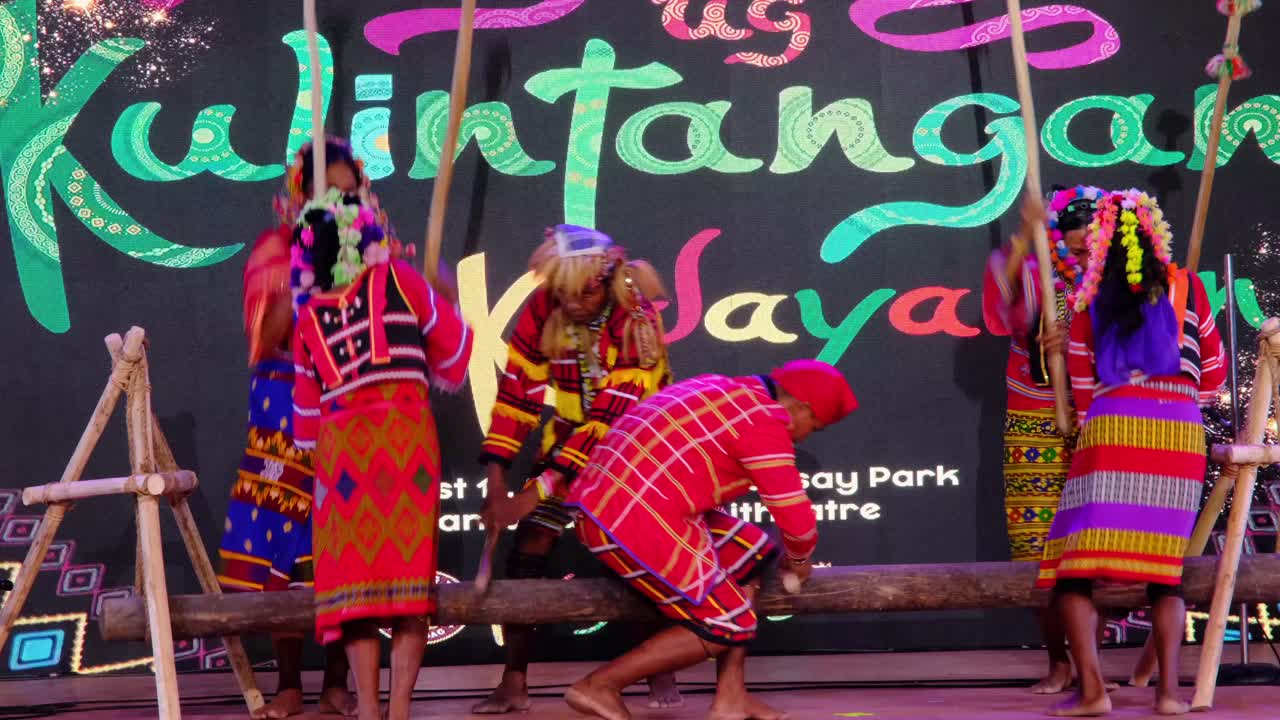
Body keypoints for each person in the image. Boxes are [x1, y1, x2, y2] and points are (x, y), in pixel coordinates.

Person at [539, 360, 857, 720]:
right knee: (728, 622)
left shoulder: (718, 386)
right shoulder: (763, 423)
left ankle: (730, 697)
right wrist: (799, 560)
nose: (802, 437)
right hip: (629, 517)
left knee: (751, 552)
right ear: (800, 406)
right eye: (812, 426)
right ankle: (600, 685)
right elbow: (794, 515)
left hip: (619, 503)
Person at [472, 225, 678, 714]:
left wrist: (534, 492)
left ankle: (655, 666)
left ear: (604, 280)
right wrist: (498, 472)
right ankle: (514, 680)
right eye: (561, 294)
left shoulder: (635, 317)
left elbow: (610, 419)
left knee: (638, 553)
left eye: (580, 293)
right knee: (529, 547)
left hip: (636, 447)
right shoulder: (545, 307)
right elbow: (518, 390)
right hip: (568, 442)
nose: (572, 304)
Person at [1036, 189, 1226, 717]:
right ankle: (1167, 694)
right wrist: (1183, 403)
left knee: (1074, 573)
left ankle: (1094, 693)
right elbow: (1213, 367)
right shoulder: (1186, 284)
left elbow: (1078, 382)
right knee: (1164, 573)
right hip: (1180, 430)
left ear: (1099, 240)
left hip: (1115, 424)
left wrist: (1096, 411)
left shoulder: (1087, 296)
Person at [291, 177, 473, 720]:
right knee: (407, 585)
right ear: (365, 232)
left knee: (357, 592)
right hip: (403, 442)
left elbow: (304, 419)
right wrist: (447, 299)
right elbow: (457, 353)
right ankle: (398, 711)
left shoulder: (308, 314)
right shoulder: (401, 281)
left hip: (341, 451)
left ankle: (368, 709)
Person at [218, 138, 386, 719]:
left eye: (347, 191)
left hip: (353, 401)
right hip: (285, 407)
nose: (339, 200)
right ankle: (289, 682)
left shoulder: (371, 248)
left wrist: (360, 261)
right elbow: (266, 338)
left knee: (346, 541)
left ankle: (337, 683)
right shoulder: (275, 248)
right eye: (326, 192)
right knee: (283, 544)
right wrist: (307, 264)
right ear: (299, 196)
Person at [983, 185, 1104, 695]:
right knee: (1038, 549)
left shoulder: (1109, 283)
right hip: (1034, 421)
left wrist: (1077, 338)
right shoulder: (1035, 274)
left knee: (1095, 548)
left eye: (1092, 228)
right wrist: (1019, 237)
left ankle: (1094, 671)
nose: (1082, 237)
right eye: (1073, 226)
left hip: (1098, 423)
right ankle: (1058, 662)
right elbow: (1002, 304)